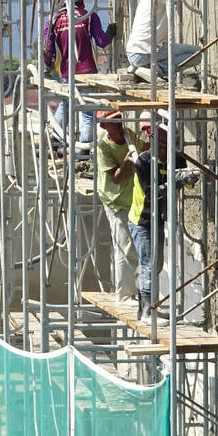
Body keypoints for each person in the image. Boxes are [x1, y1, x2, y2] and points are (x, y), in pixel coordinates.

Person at [128, 110, 200, 321]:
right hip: (142, 220)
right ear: (154, 143)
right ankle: (148, 312)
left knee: (155, 265)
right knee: (149, 265)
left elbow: (183, 178)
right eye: (162, 146)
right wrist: (178, 180)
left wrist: (190, 177)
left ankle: (145, 309)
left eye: (169, 145)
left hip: (159, 218)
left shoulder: (176, 159)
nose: (165, 151)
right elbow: (154, 191)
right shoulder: (142, 162)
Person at [42, 0, 114, 155]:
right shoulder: (89, 16)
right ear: (80, 2)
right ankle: (84, 149)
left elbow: (48, 51)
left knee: (66, 104)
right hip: (88, 71)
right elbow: (102, 41)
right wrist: (111, 32)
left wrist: (48, 66)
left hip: (66, 72)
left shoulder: (53, 21)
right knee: (87, 111)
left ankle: (56, 140)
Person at [94, 108, 145, 302]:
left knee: (135, 248)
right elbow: (115, 179)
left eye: (119, 120)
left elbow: (143, 149)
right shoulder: (103, 147)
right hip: (116, 202)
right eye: (113, 122)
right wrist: (127, 162)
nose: (118, 124)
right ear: (104, 126)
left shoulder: (128, 135)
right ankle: (124, 295)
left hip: (134, 199)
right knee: (125, 248)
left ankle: (133, 292)